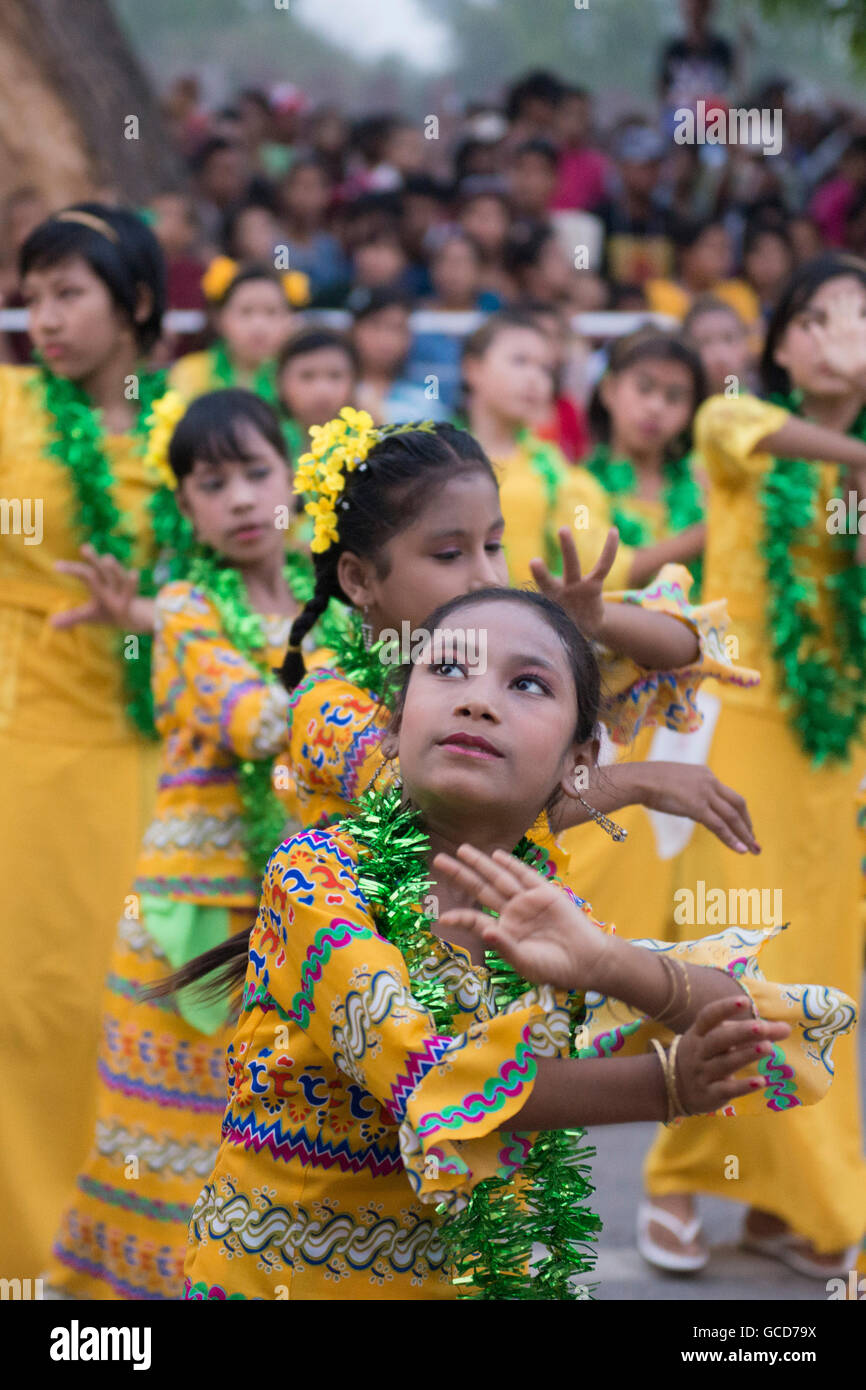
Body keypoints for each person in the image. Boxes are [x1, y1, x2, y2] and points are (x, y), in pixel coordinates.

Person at [164, 582, 853, 1300]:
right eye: (449, 670)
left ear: (579, 765)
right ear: (394, 726)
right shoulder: (312, 880)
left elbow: (774, 1032)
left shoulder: (545, 910)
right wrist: (664, 1085)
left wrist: (614, 966)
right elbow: (429, 1082)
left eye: (526, 683)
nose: (478, 700)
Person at [43, 389, 323, 1300]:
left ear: (293, 480)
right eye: (213, 482)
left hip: (302, 929)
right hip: (186, 929)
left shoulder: (341, 610)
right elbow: (253, 720)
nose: (240, 498)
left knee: (268, 1146)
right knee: (166, 1153)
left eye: (256, 473)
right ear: (187, 504)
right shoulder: (188, 610)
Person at [641, 254, 866, 1277]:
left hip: (831, 751)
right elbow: (754, 439)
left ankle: (784, 1203)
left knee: (815, 983)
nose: (845, 333)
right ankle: (676, 1181)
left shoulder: (849, 476)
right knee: (733, 962)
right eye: (825, 317)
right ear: (782, 344)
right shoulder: (739, 423)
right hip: (735, 735)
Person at [0, 203, 190, 1276]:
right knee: (25, 1005)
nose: (44, 317)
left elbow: (253, 571)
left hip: (169, 756)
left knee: (153, 1008)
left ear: (140, 305)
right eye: (32, 294)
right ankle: (26, 1262)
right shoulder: (9, 404)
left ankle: (136, 1260)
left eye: (69, 291)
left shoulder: (192, 430)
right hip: (24, 745)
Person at [461, 310, 634, 588]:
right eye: (520, 361)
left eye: (545, 369)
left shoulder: (553, 466)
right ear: (473, 369)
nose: (535, 379)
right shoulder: (440, 457)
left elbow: (597, 567)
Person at [169, 264, 300, 406]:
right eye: (246, 311)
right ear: (219, 318)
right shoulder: (191, 372)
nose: (259, 325)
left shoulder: (302, 375)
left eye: (271, 312)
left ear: (290, 319)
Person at [351, 287, 449, 427]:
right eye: (375, 325)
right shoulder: (336, 391)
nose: (386, 339)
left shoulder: (424, 401)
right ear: (354, 330)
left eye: (397, 328)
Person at [276, 326, 360, 463]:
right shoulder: (264, 442)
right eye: (307, 376)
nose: (322, 390)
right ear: (280, 381)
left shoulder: (366, 446)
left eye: (335, 376)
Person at [683, 295, 755, 396]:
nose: (720, 353)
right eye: (705, 342)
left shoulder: (769, 407)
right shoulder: (681, 410)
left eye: (729, 339)